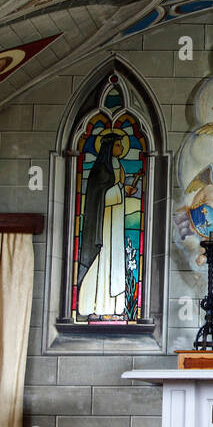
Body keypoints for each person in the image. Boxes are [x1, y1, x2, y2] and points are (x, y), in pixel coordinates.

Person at [77, 131, 138, 321]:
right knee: (104, 262)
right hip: (103, 225)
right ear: (110, 147)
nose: (121, 148)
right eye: (118, 145)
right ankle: (95, 306)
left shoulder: (117, 166)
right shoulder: (101, 169)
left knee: (115, 263)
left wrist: (124, 191)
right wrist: (122, 189)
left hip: (116, 222)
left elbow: (114, 194)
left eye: (122, 145)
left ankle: (114, 309)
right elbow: (99, 196)